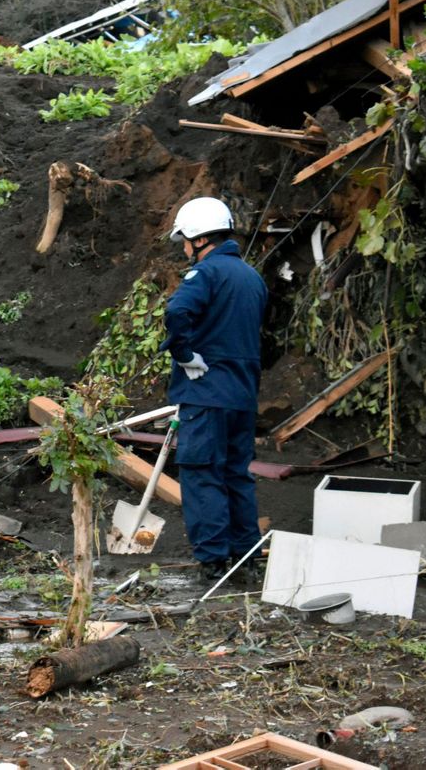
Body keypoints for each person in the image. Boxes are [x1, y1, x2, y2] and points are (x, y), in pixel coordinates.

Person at [161, 197, 268, 583]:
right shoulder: (252, 277)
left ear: (199, 238)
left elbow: (176, 312)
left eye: (185, 242)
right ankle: (247, 558)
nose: (185, 250)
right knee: (237, 474)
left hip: (205, 394)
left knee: (202, 472)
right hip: (243, 395)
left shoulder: (205, 274)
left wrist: (184, 353)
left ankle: (213, 562)